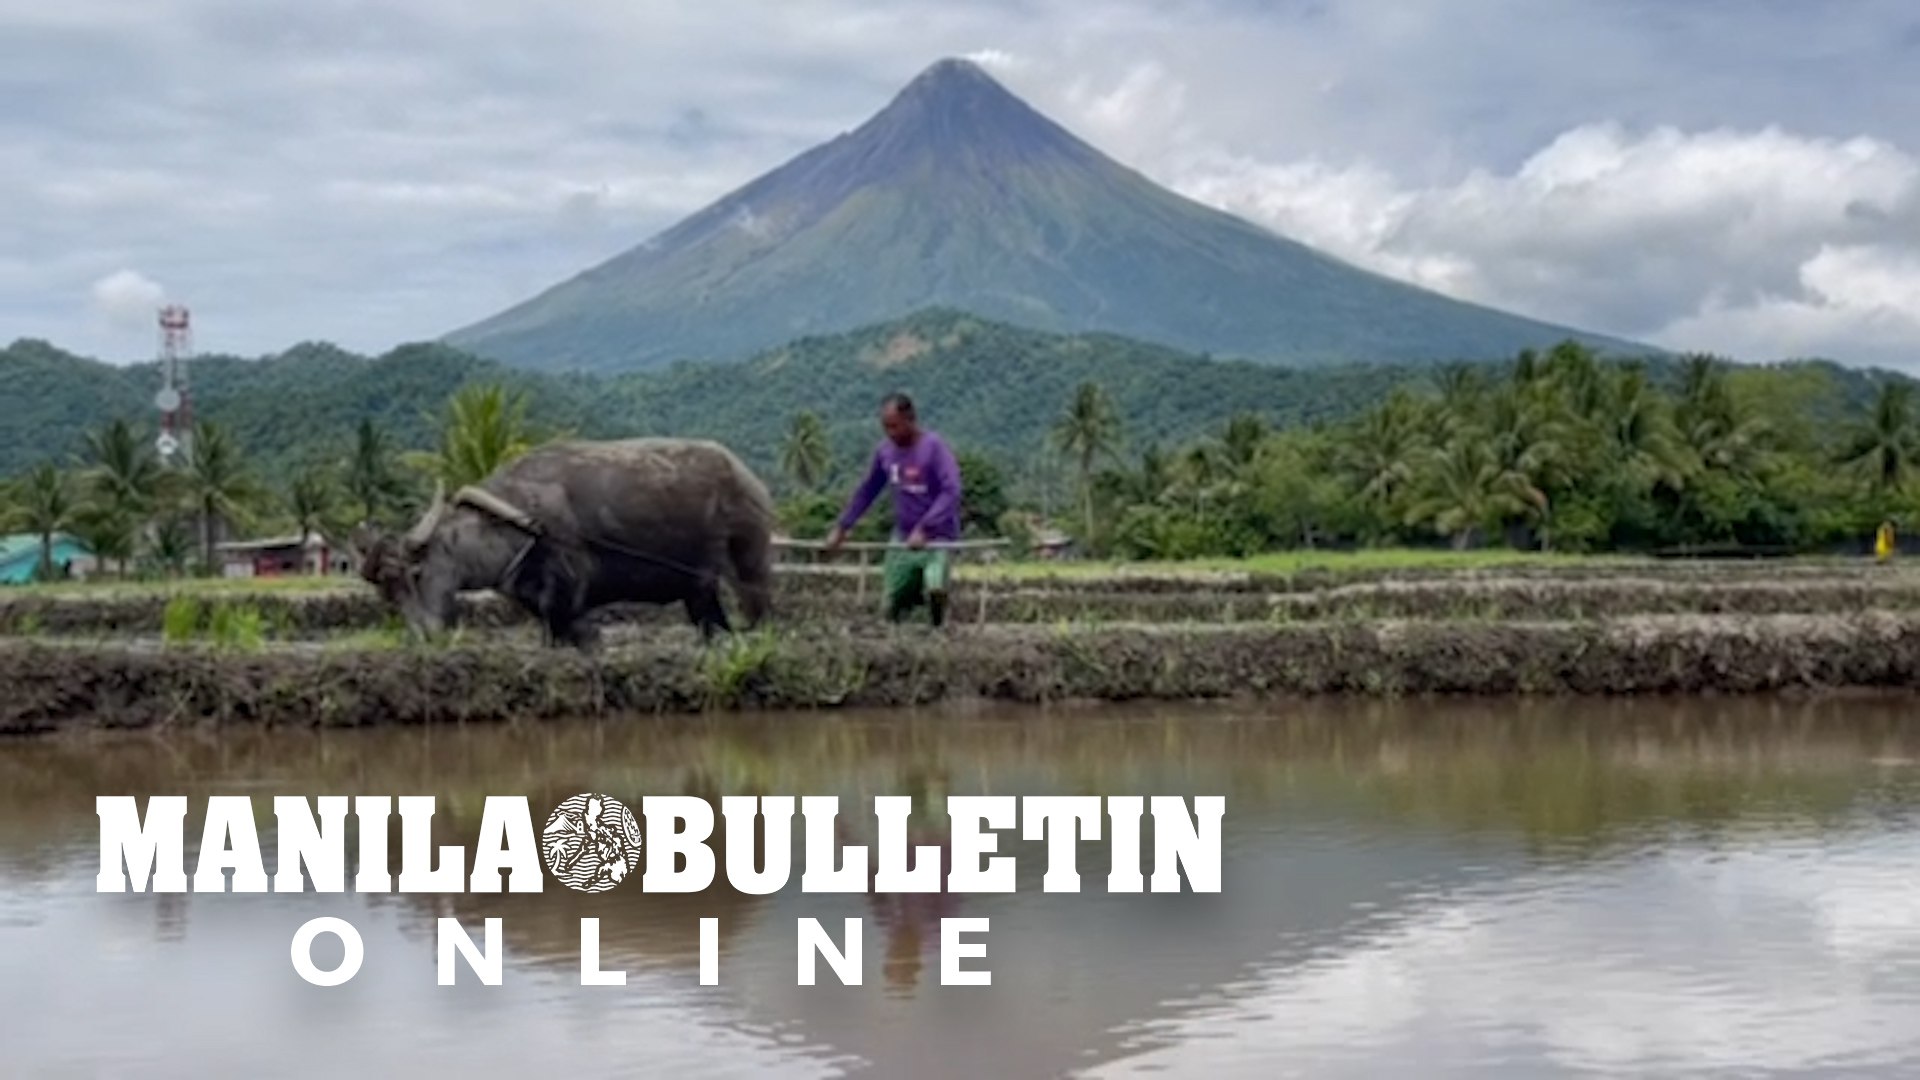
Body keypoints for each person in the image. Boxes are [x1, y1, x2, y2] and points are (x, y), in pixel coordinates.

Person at [826, 392, 964, 626]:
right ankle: (898, 636)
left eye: (895, 426)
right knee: (892, 602)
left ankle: (939, 631)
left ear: (911, 420)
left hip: (937, 537)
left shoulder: (934, 448)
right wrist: (843, 526)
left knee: (935, 587)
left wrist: (926, 527)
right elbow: (868, 490)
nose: (891, 433)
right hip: (902, 536)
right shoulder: (885, 452)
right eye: (886, 427)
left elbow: (951, 491)